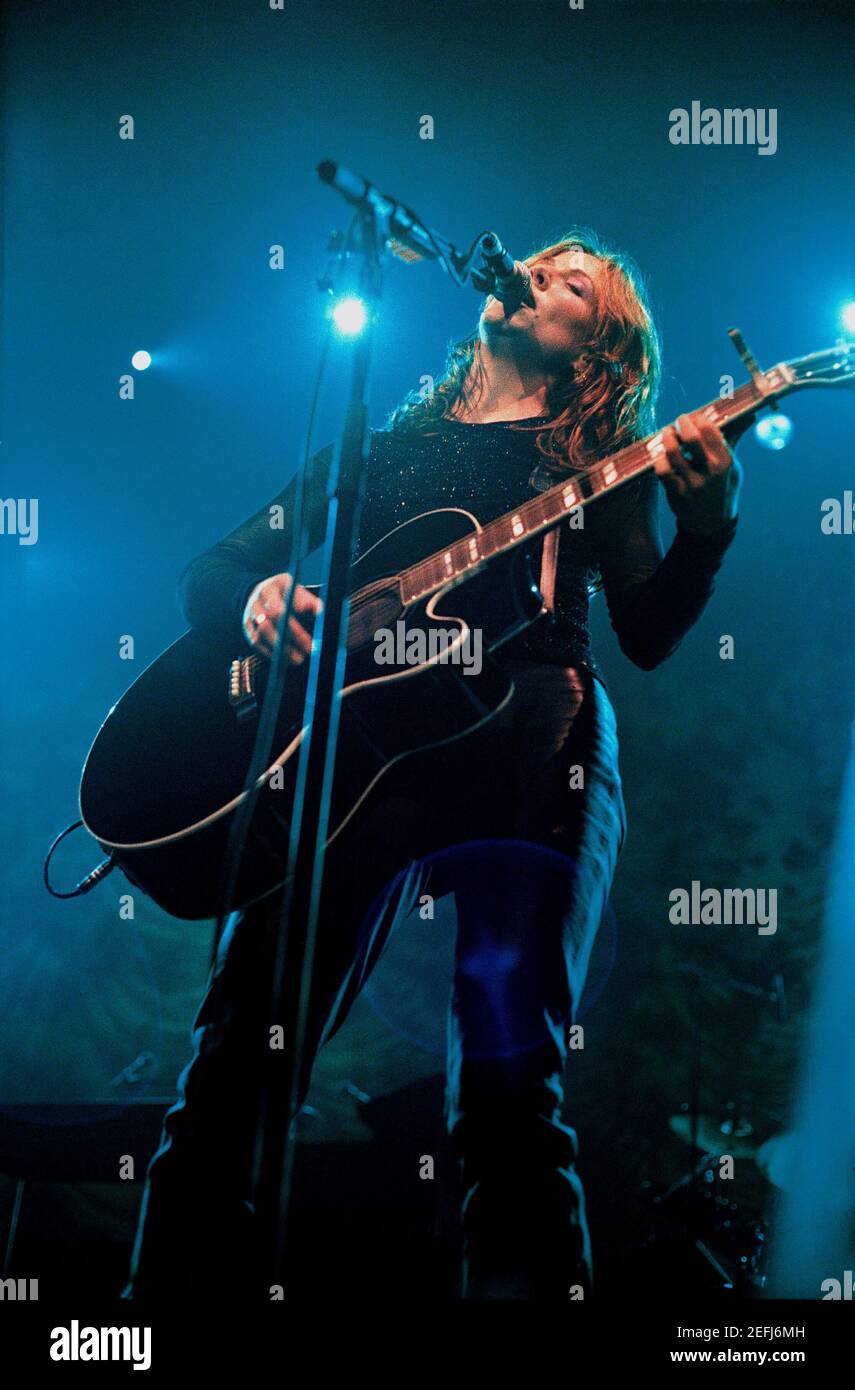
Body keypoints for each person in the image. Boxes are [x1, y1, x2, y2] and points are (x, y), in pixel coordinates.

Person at [123, 229, 746, 1302]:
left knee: (508, 1086)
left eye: (573, 282)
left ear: (596, 348)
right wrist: (255, 597)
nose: (540, 274)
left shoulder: (594, 462)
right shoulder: (383, 444)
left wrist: (705, 529)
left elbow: (642, 631)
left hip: (528, 737)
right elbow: (218, 563)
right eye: (540, 262)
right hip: (360, 753)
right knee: (234, 1063)